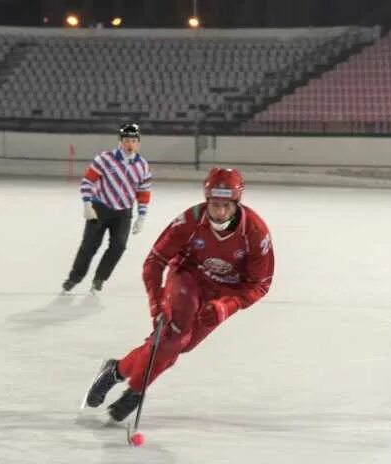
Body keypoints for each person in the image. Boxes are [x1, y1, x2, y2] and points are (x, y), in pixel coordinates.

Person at [84, 167, 275, 422]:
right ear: (206, 200)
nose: (219, 213)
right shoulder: (190, 221)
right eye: (214, 205)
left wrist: (226, 306)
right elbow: (154, 262)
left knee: (176, 348)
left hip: (222, 294)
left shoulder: (255, 232)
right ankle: (135, 392)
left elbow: (259, 284)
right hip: (188, 278)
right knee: (172, 339)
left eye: (226, 206)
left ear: (237, 202)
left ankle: (115, 371)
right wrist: (157, 302)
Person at [62, 123, 153, 293]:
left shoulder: (143, 166)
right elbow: (88, 181)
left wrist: (141, 216)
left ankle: (99, 279)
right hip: (100, 208)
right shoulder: (105, 159)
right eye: (126, 140)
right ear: (120, 141)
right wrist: (88, 204)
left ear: (138, 143)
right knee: (89, 246)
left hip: (123, 213)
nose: (130, 144)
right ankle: (74, 278)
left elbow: (144, 192)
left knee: (119, 246)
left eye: (134, 141)